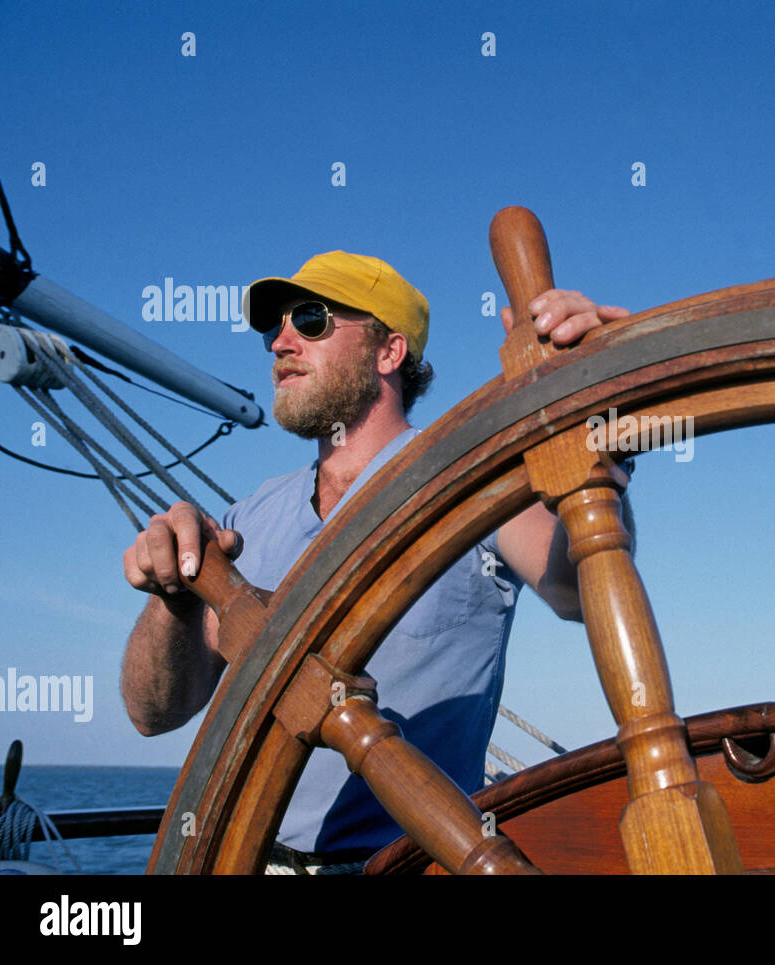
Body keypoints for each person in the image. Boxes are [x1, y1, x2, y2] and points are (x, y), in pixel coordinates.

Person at [119, 251, 630, 873]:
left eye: (310, 320)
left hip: (403, 864)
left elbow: (579, 586)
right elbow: (153, 715)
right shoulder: (244, 520)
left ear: (390, 353)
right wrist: (170, 597)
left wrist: (605, 439)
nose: (280, 341)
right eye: (273, 327)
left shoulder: (469, 478)